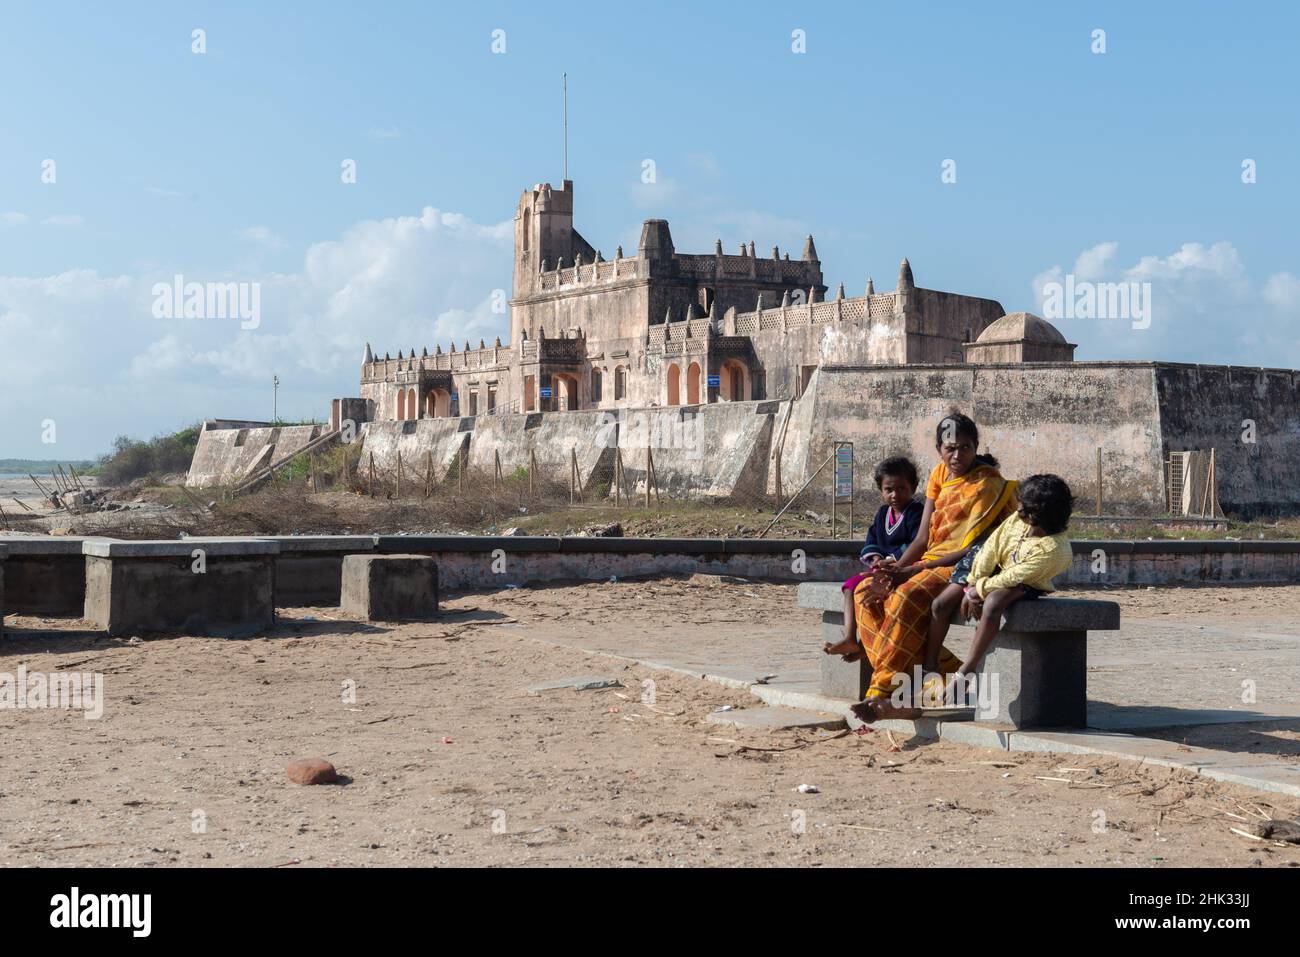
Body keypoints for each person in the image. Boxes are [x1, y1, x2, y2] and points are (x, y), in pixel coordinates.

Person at [845, 412, 1018, 723]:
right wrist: (896, 567)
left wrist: (910, 573)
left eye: (965, 448)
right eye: (950, 448)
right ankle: (946, 671)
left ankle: (880, 692)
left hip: (963, 565)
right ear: (939, 449)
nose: (957, 455)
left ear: (976, 447)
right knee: (864, 591)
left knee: (906, 597)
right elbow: (924, 537)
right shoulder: (939, 475)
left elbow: (972, 548)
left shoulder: (988, 484)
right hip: (928, 561)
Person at [923, 473, 1074, 687]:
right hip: (987, 568)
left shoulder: (1055, 550)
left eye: (1026, 509)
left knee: (993, 604)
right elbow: (991, 548)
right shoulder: (1017, 519)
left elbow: (1015, 576)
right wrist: (972, 584)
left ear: (1043, 515)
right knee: (940, 604)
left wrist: (980, 591)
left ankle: (967, 669)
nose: (1019, 510)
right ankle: (930, 667)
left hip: (1025, 581)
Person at [823, 456, 923, 653]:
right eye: (889, 490)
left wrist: (891, 560)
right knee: (852, 587)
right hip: (881, 567)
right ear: (881, 490)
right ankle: (851, 637)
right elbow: (872, 541)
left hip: (905, 567)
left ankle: (866, 645)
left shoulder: (917, 512)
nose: (895, 494)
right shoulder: (882, 513)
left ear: (913, 487)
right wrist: (877, 559)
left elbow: (917, 542)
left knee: (876, 594)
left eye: (901, 488)